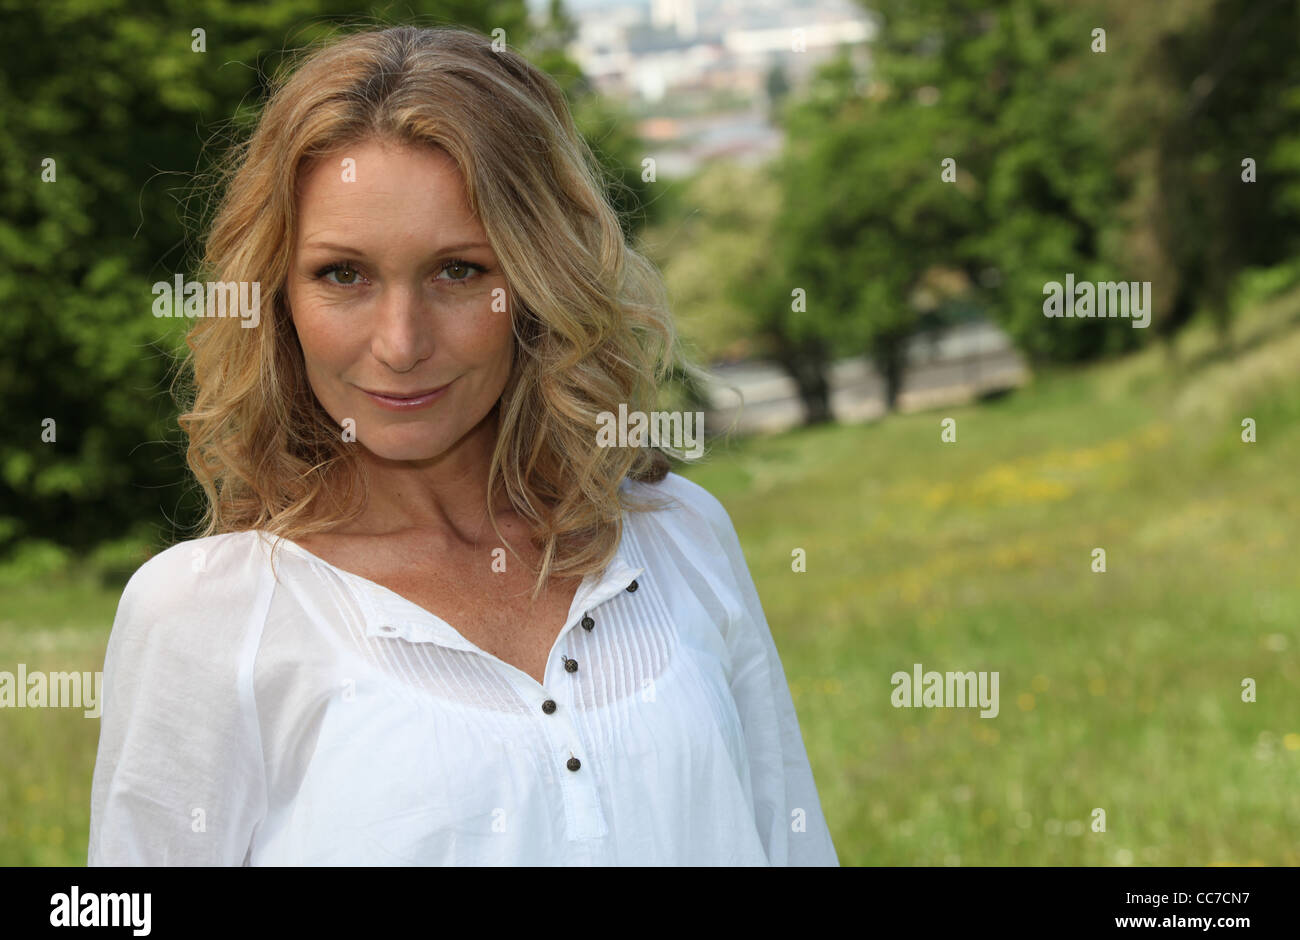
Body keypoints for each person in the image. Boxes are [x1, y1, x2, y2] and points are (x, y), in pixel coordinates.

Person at [87, 24, 838, 866]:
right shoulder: (208, 614)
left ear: (538, 282)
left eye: (459, 271)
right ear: (275, 299)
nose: (401, 343)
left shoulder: (680, 537)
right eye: (343, 274)